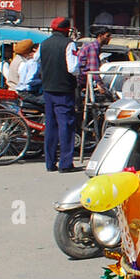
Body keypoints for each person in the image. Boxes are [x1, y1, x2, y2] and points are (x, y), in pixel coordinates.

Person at [38, 17, 80, 172]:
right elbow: (73, 68)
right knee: (66, 126)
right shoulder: (69, 44)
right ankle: (65, 163)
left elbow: (36, 62)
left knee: (51, 126)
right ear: (67, 29)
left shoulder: (44, 44)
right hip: (64, 90)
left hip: (48, 89)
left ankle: (50, 163)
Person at [76, 26, 112, 99]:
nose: (109, 39)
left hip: (84, 81)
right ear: (100, 36)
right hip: (81, 80)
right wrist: (100, 84)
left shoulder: (92, 46)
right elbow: (93, 68)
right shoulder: (93, 47)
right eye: (107, 36)